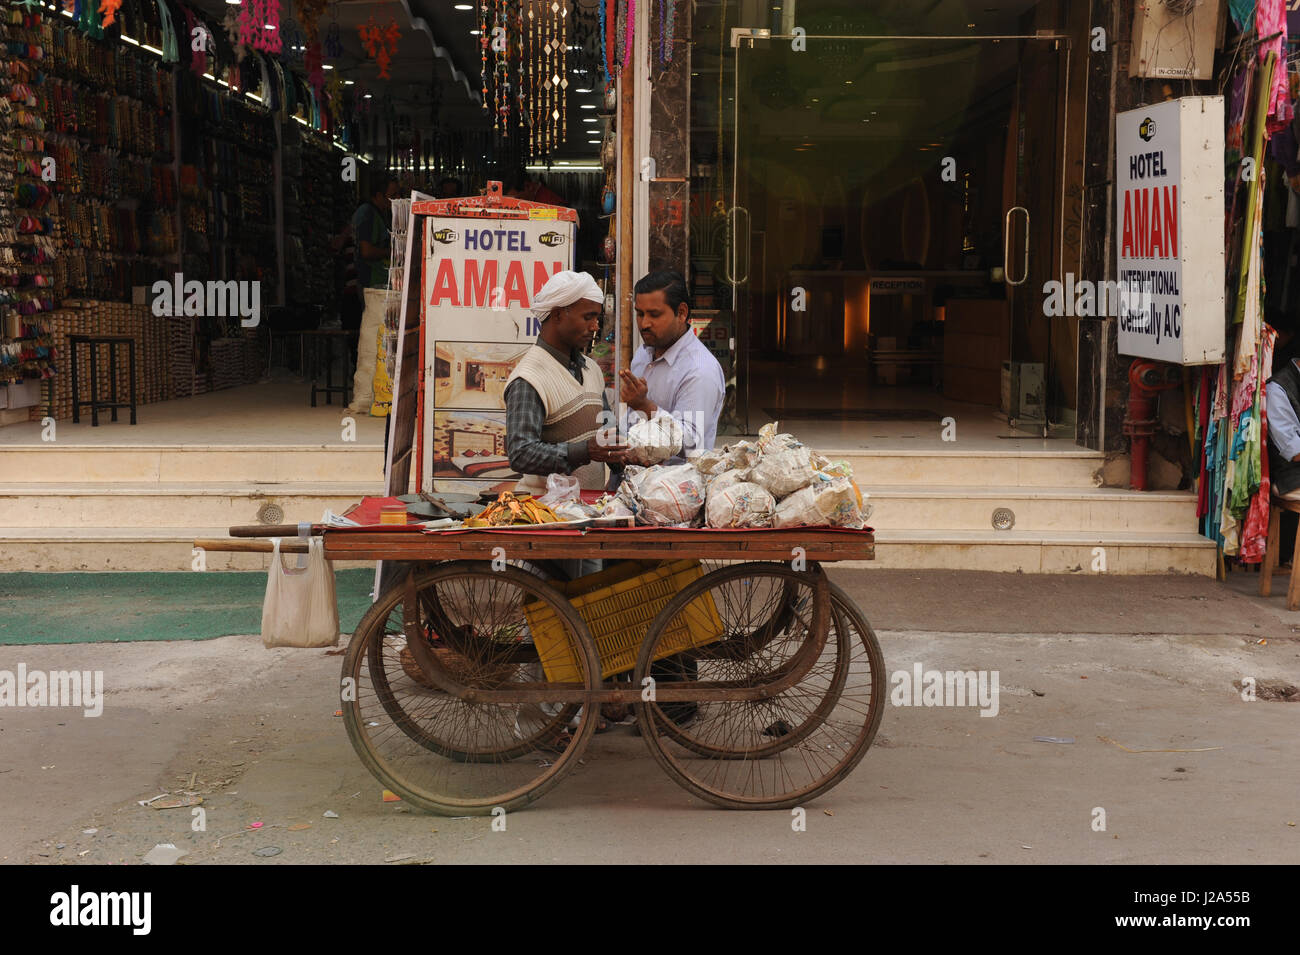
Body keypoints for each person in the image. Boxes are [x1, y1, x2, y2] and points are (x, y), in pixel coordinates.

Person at [505, 269, 629, 498]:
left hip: (588, 506)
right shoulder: (529, 378)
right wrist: (585, 451)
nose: (595, 326)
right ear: (558, 315)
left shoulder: (591, 369)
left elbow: (606, 429)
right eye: (588, 317)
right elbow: (521, 454)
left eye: (597, 318)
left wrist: (626, 453)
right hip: (544, 510)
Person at [620, 269, 726, 463]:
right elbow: (632, 421)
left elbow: (690, 443)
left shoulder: (700, 370)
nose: (644, 324)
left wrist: (644, 406)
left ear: (682, 313)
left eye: (654, 314)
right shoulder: (644, 353)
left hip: (673, 481)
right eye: (639, 314)